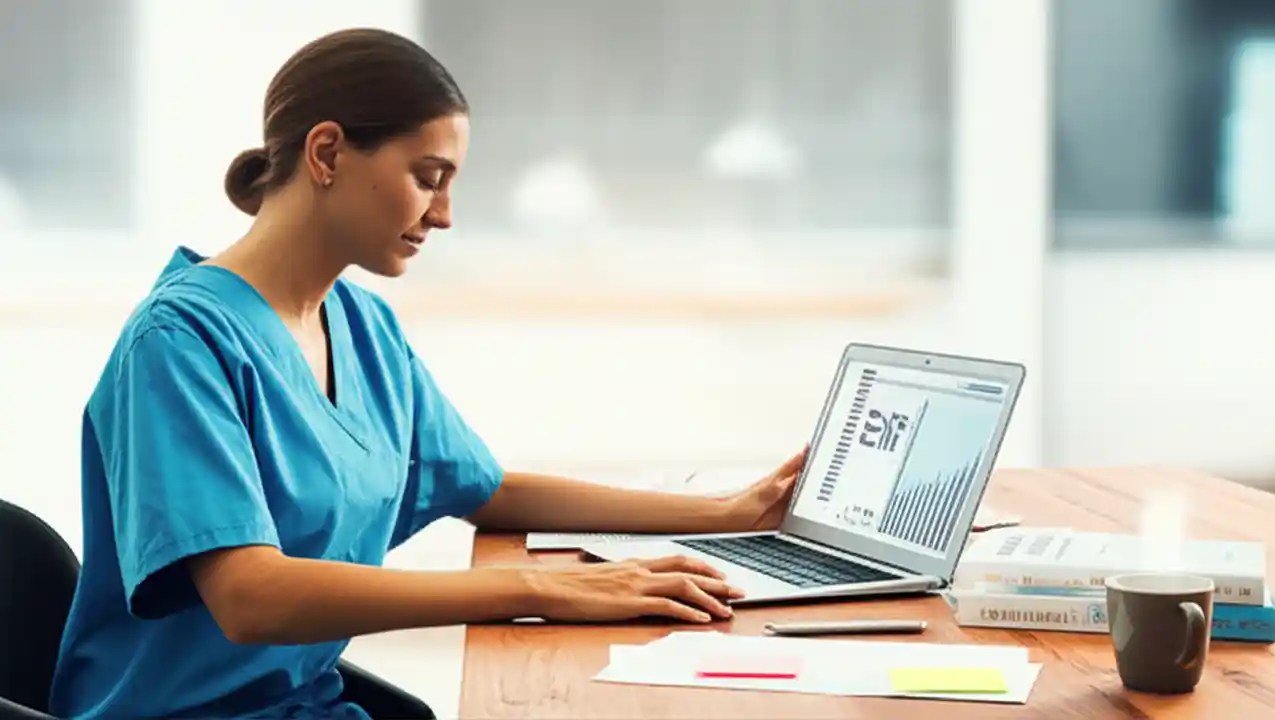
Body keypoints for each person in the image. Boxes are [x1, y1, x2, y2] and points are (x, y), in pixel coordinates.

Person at [48, 27, 808, 720]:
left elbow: (488, 489)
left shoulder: (362, 324)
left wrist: (727, 513)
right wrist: (541, 590)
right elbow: (252, 597)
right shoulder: (179, 342)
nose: (444, 214)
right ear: (326, 154)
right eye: (428, 176)